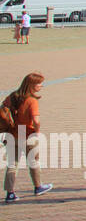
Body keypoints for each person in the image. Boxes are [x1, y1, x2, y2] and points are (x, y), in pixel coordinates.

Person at [2, 72, 52, 202]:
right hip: (27, 134)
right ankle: (38, 186)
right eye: (39, 84)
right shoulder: (32, 101)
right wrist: (37, 131)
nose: (41, 86)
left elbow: (3, 110)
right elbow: (36, 120)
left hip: (12, 133)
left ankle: (10, 193)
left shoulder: (12, 96)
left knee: (12, 164)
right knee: (34, 161)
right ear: (31, 85)